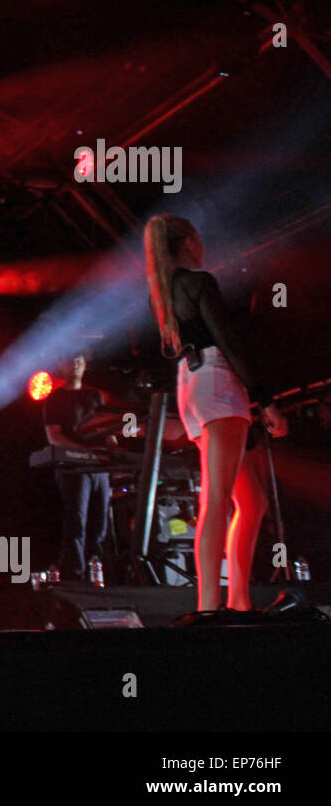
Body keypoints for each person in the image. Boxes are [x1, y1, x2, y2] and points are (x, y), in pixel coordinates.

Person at [144, 214, 287, 614]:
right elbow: (228, 341)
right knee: (217, 499)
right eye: (199, 239)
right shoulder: (199, 283)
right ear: (188, 242)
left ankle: (238, 599)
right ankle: (210, 606)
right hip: (217, 382)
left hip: (191, 384)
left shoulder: (162, 293)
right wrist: (266, 399)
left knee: (250, 501)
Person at [43, 353, 115, 581]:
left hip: (99, 466)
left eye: (80, 360)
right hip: (74, 466)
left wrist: (116, 452)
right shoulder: (55, 399)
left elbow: (107, 429)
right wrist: (84, 452)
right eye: (71, 360)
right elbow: (54, 437)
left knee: (101, 520)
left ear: (85, 365)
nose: (75, 363)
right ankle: (76, 574)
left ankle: (96, 570)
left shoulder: (94, 395)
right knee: (77, 521)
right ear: (62, 366)